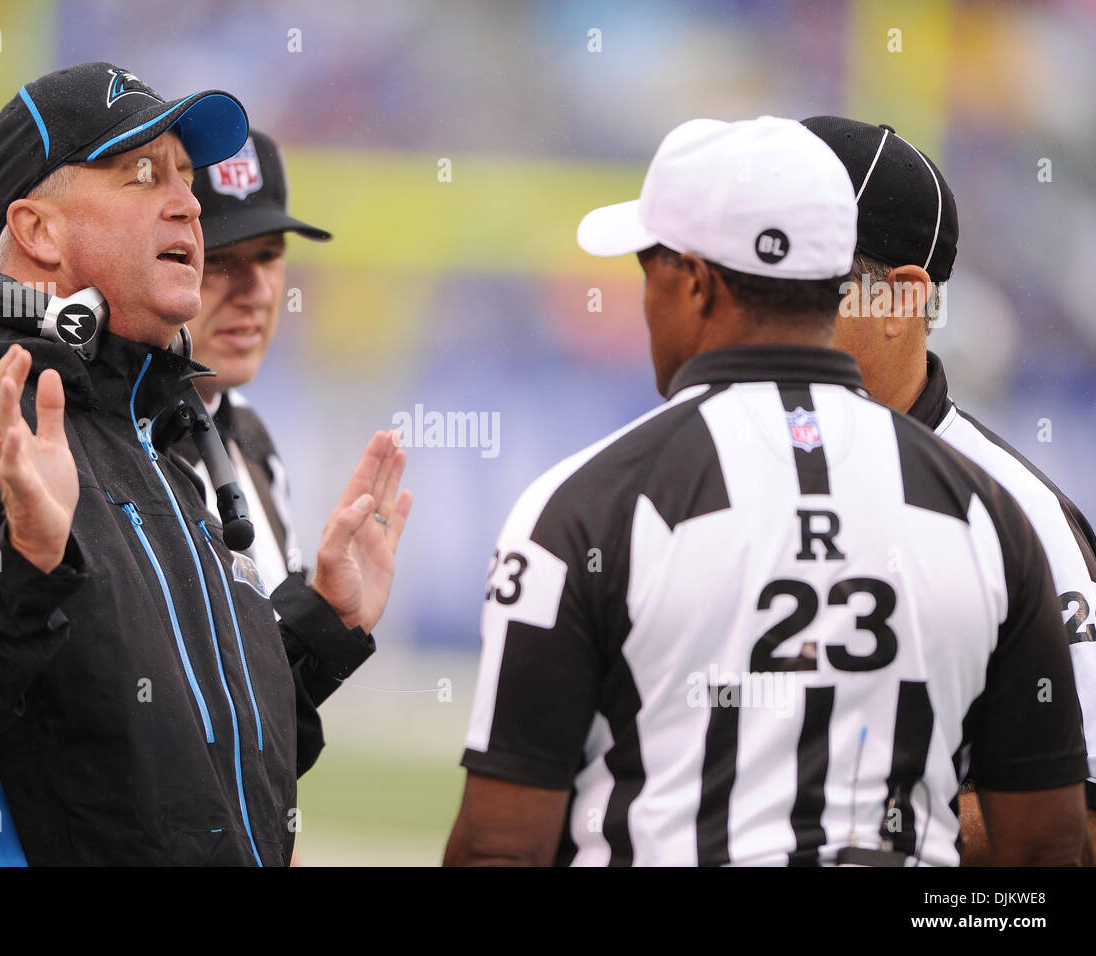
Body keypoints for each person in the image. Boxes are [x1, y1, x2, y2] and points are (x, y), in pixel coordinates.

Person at [443, 116, 1091, 867]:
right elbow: (1047, 849)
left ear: (692, 281)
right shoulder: (985, 515)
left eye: (647, 268)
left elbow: (499, 844)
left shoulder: (592, 503)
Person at [0, 62, 410, 866]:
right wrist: (20, 568)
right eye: (142, 174)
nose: (190, 205)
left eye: (188, 179)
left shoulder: (150, 422)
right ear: (39, 231)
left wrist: (323, 628)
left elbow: (180, 764)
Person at [803, 115, 1096, 862]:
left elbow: (1079, 819)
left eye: (792, 282)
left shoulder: (1018, 520)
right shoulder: (687, 472)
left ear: (900, 302)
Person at [174, 125, 411, 787]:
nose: (256, 289)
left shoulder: (248, 438)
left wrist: (332, 623)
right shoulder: (112, 447)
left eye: (271, 254)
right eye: (219, 257)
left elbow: (260, 730)